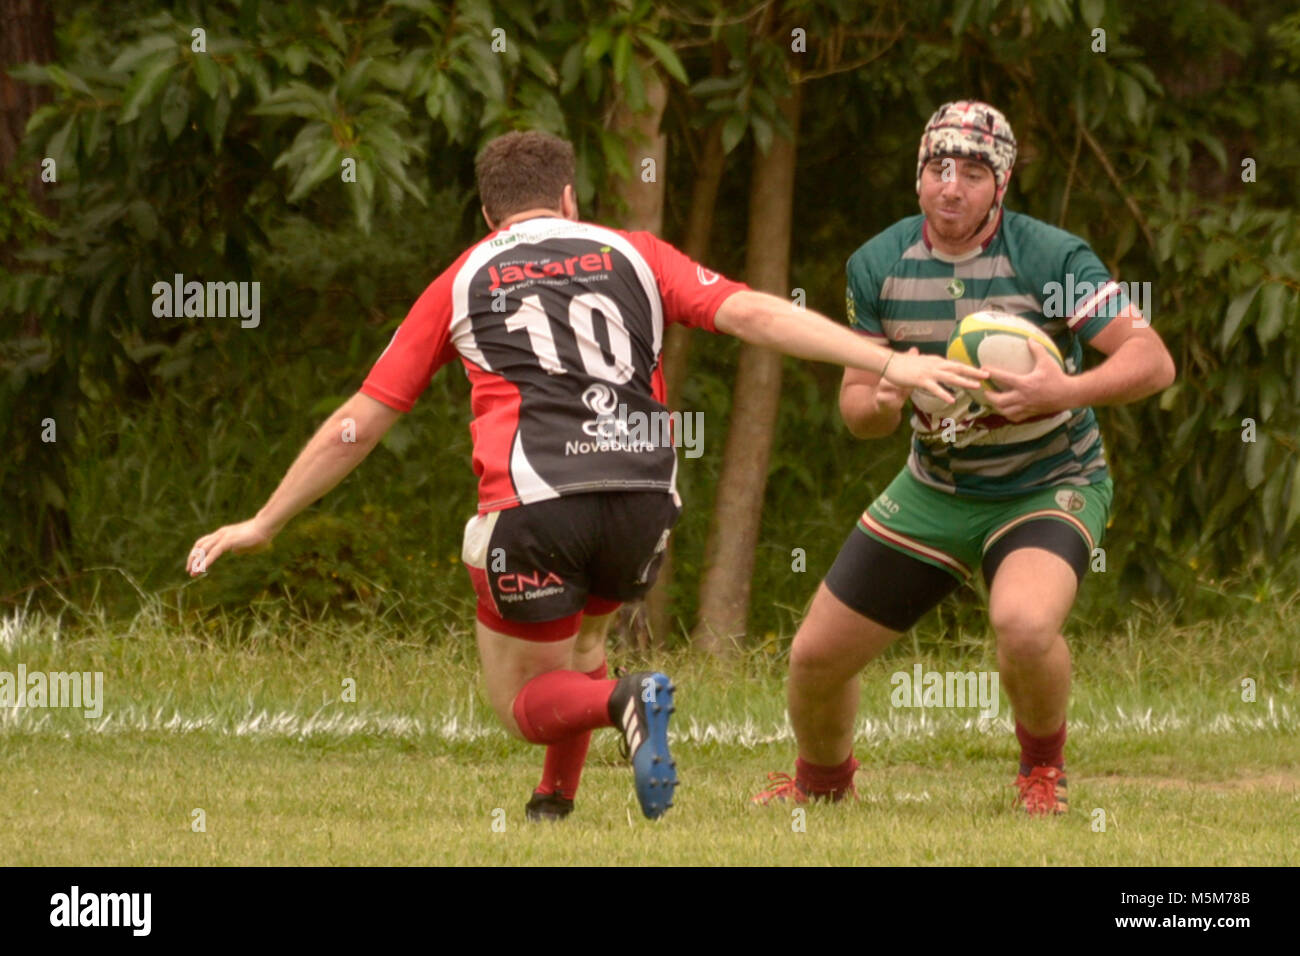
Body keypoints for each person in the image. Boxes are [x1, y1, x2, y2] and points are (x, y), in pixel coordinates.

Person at [185, 130, 985, 822]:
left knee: (521, 700)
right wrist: (889, 360)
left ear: (489, 213)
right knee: (589, 636)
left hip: (536, 503)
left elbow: (363, 418)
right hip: (643, 502)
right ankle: (555, 801)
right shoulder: (635, 252)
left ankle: (621, 703)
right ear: (568, 198)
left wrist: (266, 519)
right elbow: (752, 315)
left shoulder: (464, 276)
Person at [753, 101, 1176, 815]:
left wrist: (1063, 390)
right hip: (936, 487)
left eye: (973, 172)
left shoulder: (1051, 257)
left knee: (1023, 624)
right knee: (814, 659)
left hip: (1049, 481)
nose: (952, 186)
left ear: (1001, 186)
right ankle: (823, 785)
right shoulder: (877, 265)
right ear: (917, 176)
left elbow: (1153, 359)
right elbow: (856, 407)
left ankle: (1041, 770)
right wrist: (886, 395)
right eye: (937, 168)